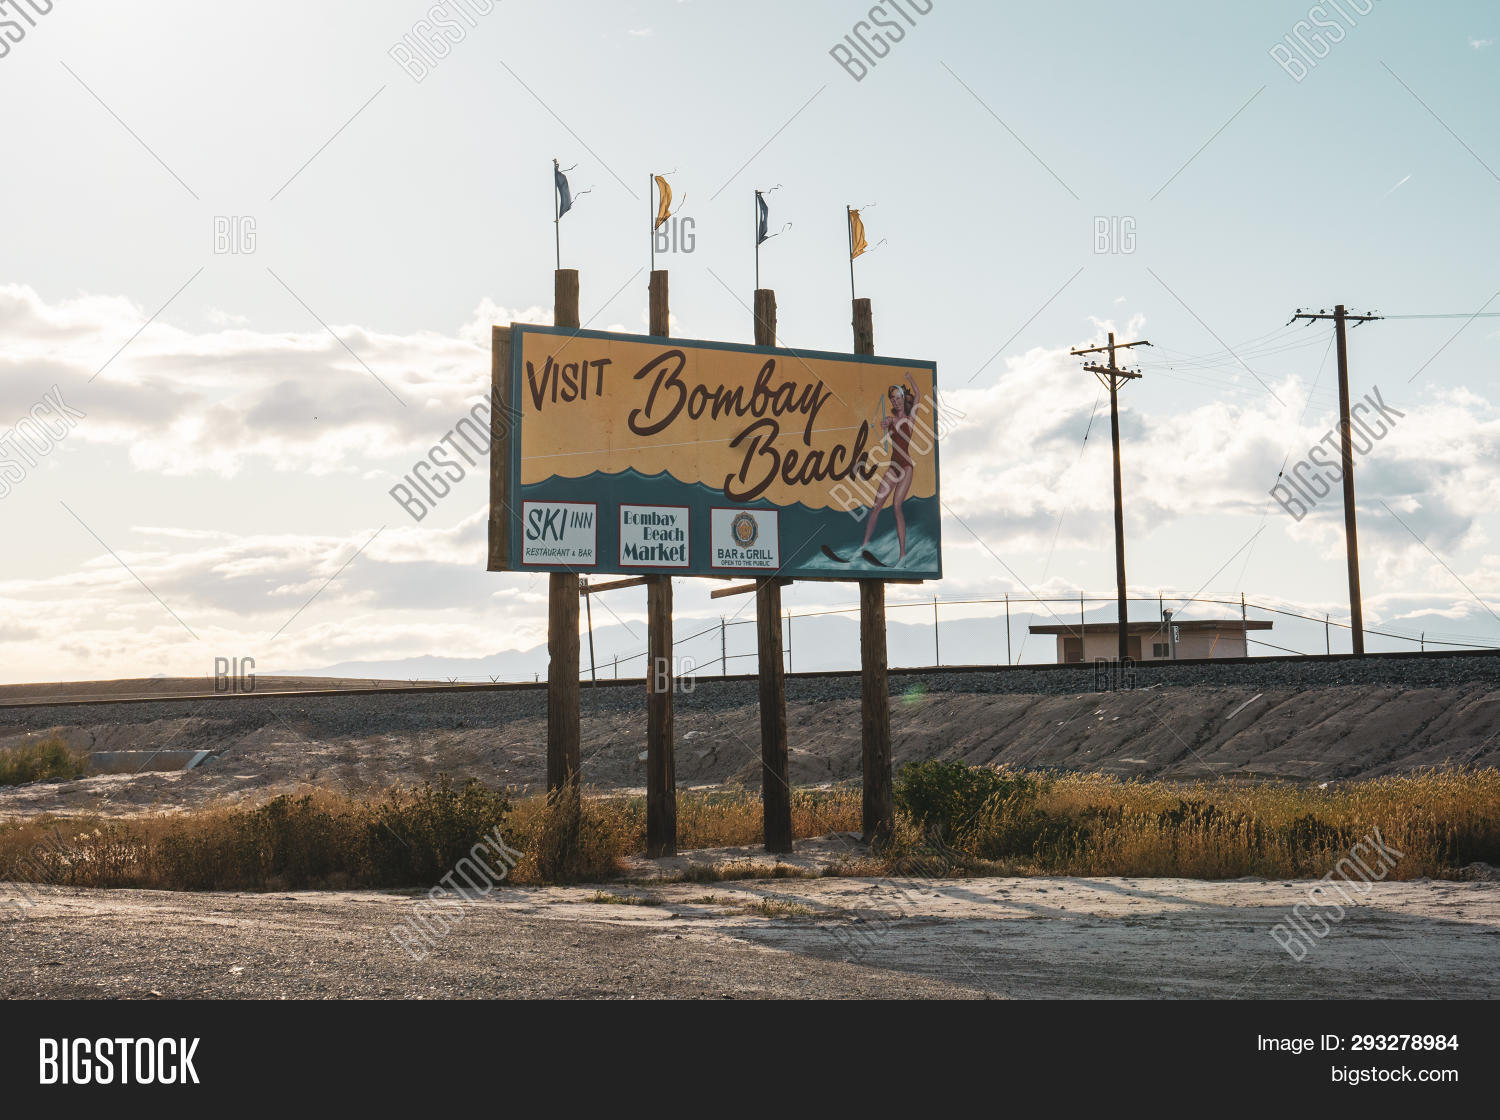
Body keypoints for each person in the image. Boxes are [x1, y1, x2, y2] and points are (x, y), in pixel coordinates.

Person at [860, 372, 920, 561]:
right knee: (876, 505)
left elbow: (918, 395)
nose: (896, 401)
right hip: (893, 466)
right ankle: (863, 546)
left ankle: (902, 555)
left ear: (903, 398)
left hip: (906, 467)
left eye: (899, 397)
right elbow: (886, 422)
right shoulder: (891, 420)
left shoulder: (910, 419)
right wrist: (884, 424)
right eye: (893, 399)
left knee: (896, 506)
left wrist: (910, 379)